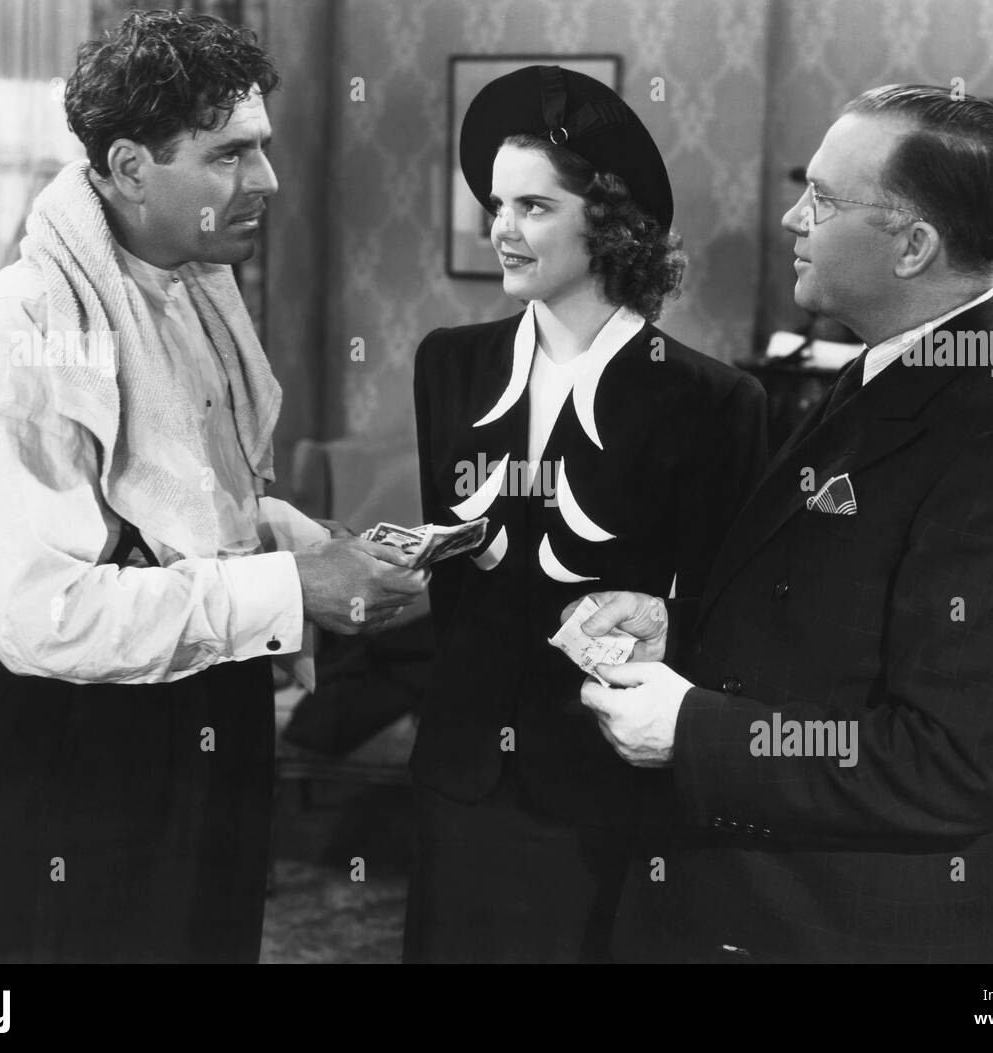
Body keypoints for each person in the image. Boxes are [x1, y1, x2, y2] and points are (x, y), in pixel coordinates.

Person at [0, 10, 426, 964]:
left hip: (209, 710)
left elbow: (194, 505)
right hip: (77, 741)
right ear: (127, 167)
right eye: (230, 155)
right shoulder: (24, 324)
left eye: (264, 150)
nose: (268, 181)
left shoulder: (197, 285)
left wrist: (303, 539)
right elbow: (47, 614)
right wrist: (292, 589)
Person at [575, 84, 993, 963]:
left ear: (913, 246)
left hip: (851, 926)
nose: (792, 217)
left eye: (822, 198)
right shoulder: (890, 371)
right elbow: (824, 611)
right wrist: (680, 624)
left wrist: (694, 730)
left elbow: (950, 765)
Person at [404, 65, 768, 962]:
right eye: (496, 205)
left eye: (534, 207)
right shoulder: (448, 365)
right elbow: (456, 576)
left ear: (606, 222)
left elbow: (724, 614)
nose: (501, 231)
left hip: (609, 785)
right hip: (461, 776)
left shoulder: (713, 400)